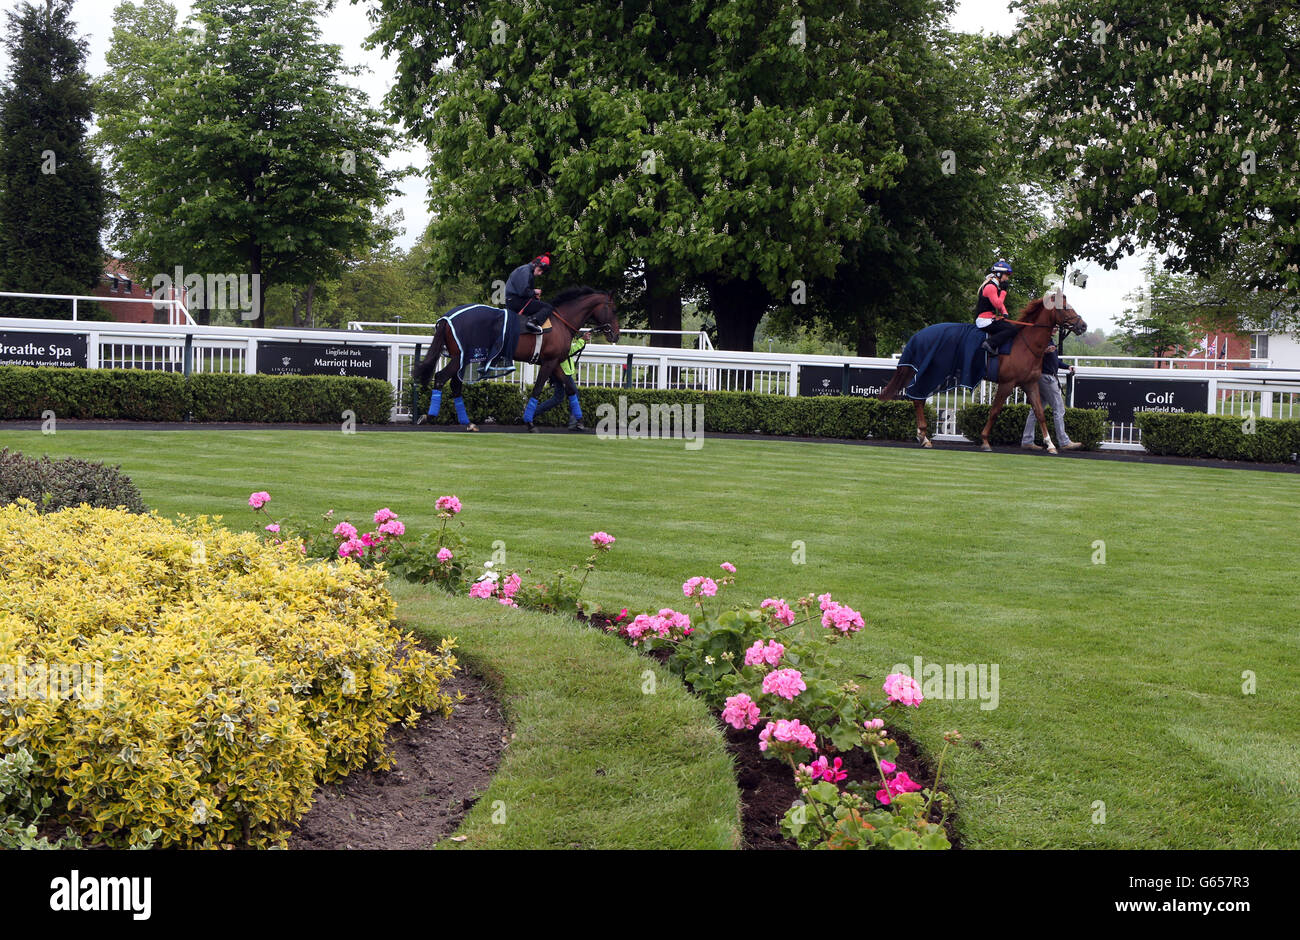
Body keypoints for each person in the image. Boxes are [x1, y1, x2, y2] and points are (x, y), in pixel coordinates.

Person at [1022, 342, 1083, 451]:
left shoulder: (1049, 341)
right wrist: (1044, 351)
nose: (1055, 328)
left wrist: (1067, 366)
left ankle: (1027, 441)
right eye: (1054, 326)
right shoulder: (1043, 340)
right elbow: (1032, 355)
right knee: (1059, 409)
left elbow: (1055, 361)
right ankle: (1064, 441)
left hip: (1044, 378)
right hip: (1047, 379)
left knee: (1035, 410)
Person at [533, 332, 589, 430]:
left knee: (557, 398)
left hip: (560, 372)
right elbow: (569, 352)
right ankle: (575, 423)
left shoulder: (561, 334)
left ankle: (531, 414)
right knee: (574, 394)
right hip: (562, 373)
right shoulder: (561, 336)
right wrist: (582, 340)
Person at [975, 260, 1027, 355]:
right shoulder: (990, 287)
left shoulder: (994, 286)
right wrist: (1003, 291)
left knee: (1010, 326)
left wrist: (1005, 312)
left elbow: (999, 303)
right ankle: (989, 344)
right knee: (1012, 329)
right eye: (1006, 275)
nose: (1007, 278)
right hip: (984, 321)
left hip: (989, 318)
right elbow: (998, 304)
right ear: (999, 274)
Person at [505, 253, 553, 333]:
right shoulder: (525, 271)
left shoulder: (526, 271)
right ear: (535, 265)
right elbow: (523, 292)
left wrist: (534, 296)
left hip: (514, 300)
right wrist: (534, 292)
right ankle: (532, 322)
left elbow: (525, 291)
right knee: (548, 307)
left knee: (538, 303)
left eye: (542, 272)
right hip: (515, 301)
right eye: (539, 270)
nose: (540, 273)